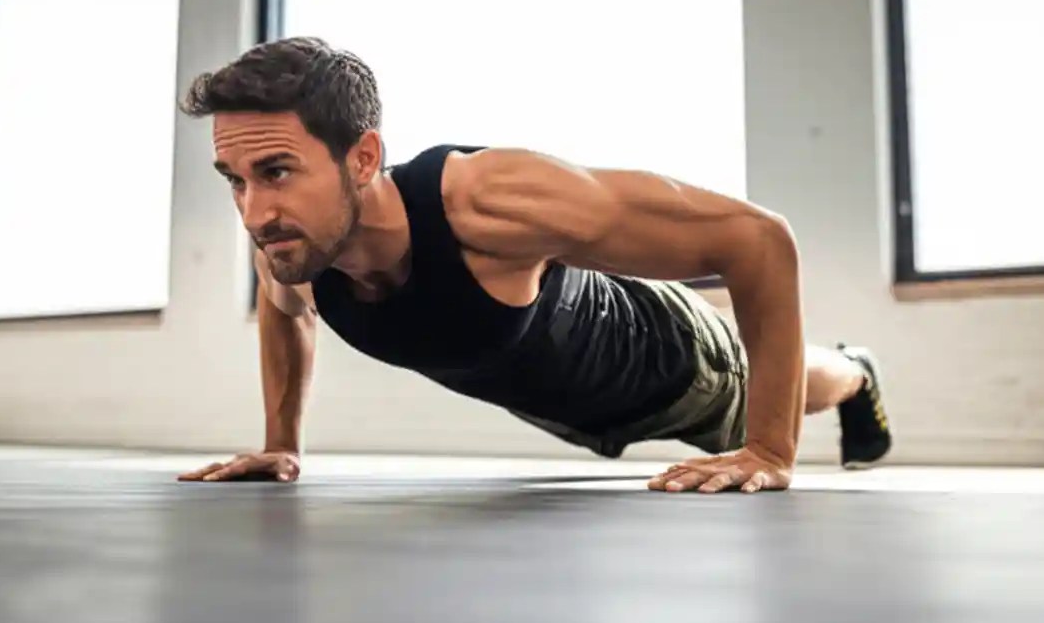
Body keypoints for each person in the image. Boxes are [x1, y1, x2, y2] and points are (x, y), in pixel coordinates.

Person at [175, 37, 892, 494]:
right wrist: (281, 445)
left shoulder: (487, 201)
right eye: (234, 180)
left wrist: (769, 450)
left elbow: (757, 237)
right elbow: (284, 310)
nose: (253, 211)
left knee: (794, 379)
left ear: (362, 158)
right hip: (567, 407)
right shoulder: (294, 245)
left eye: (275, 170)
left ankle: (857, 371)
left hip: (672, 369)